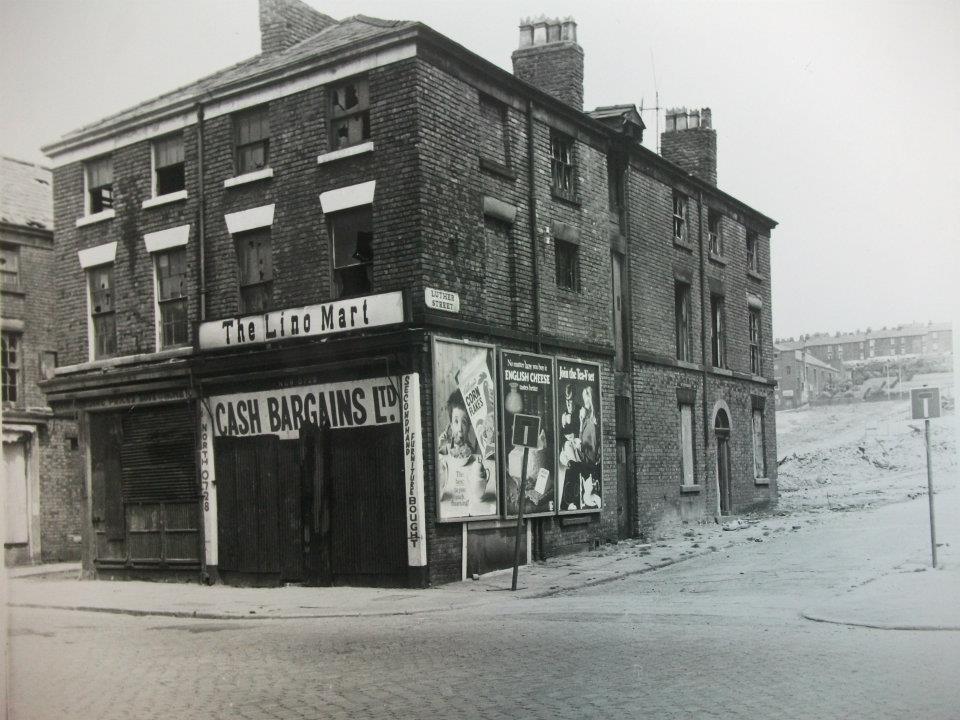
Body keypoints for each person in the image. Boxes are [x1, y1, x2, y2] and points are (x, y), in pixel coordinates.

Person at [438, 389, 496, 517]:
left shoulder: (475, 449)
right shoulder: (447, 447)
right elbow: (438, 458)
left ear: (469, 426)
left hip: (472, 496)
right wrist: (439, 444)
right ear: (451, 425)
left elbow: (489, 458)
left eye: (464, 422)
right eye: (456, 421)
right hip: (453, 496)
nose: (460, 429)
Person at [579, 385, 598, 464]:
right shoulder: (585, 421)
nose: (584, 405)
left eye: (585, 399)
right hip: (584, 457)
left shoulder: (593, 422)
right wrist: (581, 422)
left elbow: (595, 446)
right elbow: (580, 440)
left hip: (589, 460)